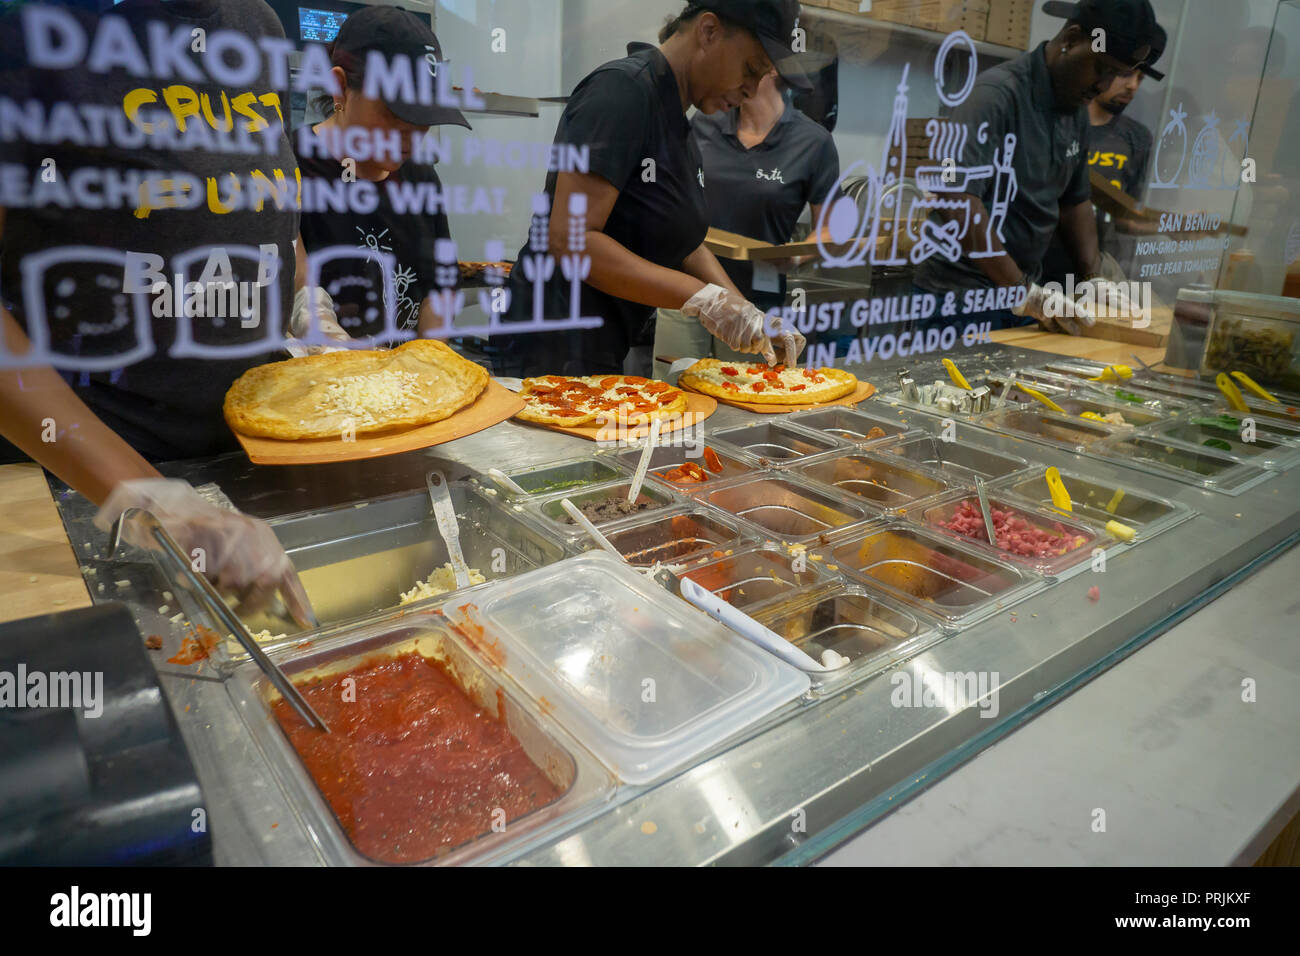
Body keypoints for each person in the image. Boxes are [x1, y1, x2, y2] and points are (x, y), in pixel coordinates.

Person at [0, 0, 313, 626]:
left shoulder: (259, 25)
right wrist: (154, 500)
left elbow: (261, 212)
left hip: (237, 480)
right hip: (76, 489)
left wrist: (307, 307)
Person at [496, 0, 810, 379]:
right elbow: (572, 240)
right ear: (708, 31)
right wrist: (701, 299)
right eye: (750, 69)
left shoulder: (677, 119)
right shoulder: (621, 92)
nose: (752, 89)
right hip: (550, 346)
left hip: (599, 343)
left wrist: (746, 312)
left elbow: (685, 243)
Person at [913, 0, 1163, 336]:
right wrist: (1020, 290)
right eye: (1101, 67)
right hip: (959, 301)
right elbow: (954, 197)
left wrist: (1093, 277)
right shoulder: (997, 95)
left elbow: (1075, 201)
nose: (1104, 85)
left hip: (1019, 296)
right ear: (1071, 39)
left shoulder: (1074, 108)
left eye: (1115, 74)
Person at [292, 6, 471, 348]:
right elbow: (297, 291)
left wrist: (426, 361)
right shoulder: (292, 166)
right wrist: (348, 366)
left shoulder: (419, 177)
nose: (412, 133)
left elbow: (437, 289)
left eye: (423, 116)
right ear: (339, 87)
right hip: (323, 385)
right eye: (395, 113)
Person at [655, 64, 841, 368]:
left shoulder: (813, 141)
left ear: (770, 71)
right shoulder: (704, 122)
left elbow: (831, 229)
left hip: (757, 302)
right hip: (689, 291)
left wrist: (794, 257)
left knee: (746, 393)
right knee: (675, 390)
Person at [1040, 25, 1167, 284]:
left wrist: (1173, 228)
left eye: (1140, 79)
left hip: (1091, 277)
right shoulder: (1059, 125)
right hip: (1038, 270)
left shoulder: (1136, 139)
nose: (1132, 86)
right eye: (1126, 74)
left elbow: (1122, 217)